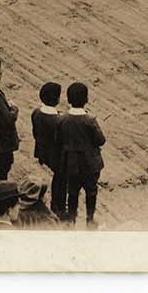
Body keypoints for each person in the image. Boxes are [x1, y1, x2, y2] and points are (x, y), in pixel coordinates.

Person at [58, 82, 107, 226]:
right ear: (86, 99)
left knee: (72, 191)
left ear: (68, 99)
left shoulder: (62, 119)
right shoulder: (89, 120)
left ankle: (72, 219)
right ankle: (90, 219)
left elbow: (59, 139)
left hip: (71, 163)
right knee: (91, 190)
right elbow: (100, 140)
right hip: (90, 162)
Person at [31, 81, 66, 217]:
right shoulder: (59, 121)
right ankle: (58, 206)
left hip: (43, 151)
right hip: (56, 156)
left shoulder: (36, 112)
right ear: (57, 99)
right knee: (60, 179)